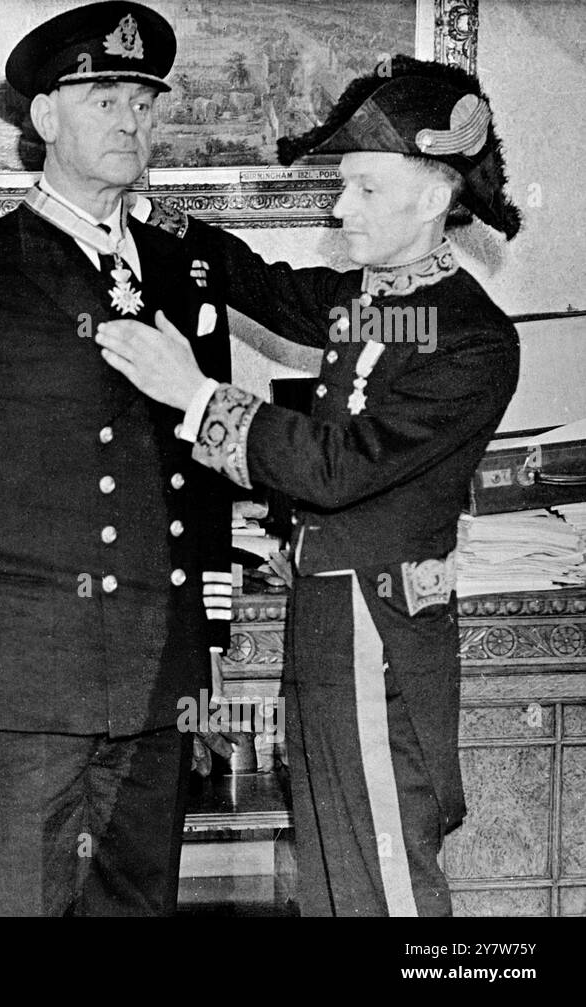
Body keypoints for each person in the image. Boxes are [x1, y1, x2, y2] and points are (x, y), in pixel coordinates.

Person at [94, 56, 522, 916]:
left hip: (379, 633)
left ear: (434, 197)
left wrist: (199, 397)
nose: (339, 208)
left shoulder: (472, 338)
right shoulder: (374, 299)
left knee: (385, 880)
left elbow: (338, 467)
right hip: (325, 615)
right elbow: (263, 284)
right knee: (332, 879)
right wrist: (149, 210)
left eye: (365, 188)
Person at [0, 1, 235, 916]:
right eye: (104, 99)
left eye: (144, 102)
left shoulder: (183, 272)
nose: (131, 121)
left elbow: (201, 483)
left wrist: (208, 647)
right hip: (20, 679)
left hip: (157, 676)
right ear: (44, 116)